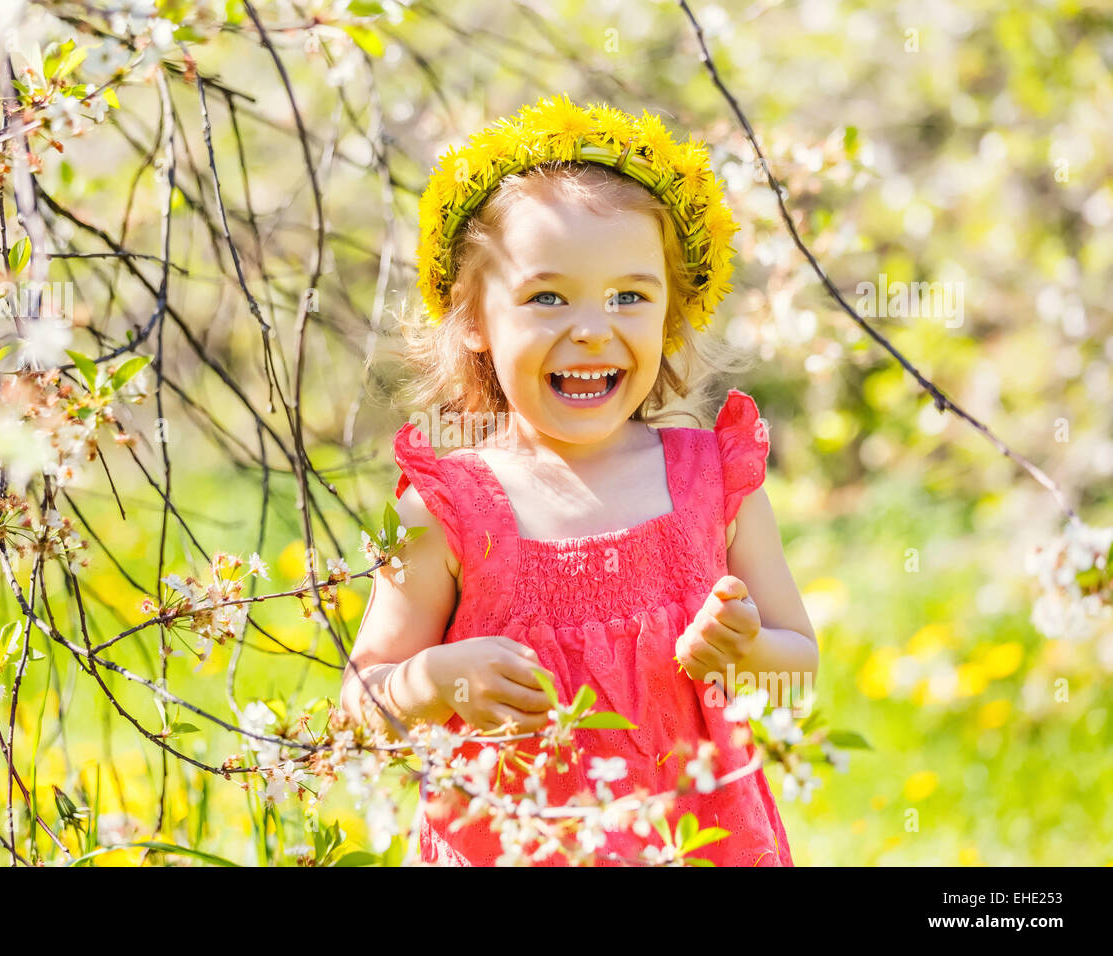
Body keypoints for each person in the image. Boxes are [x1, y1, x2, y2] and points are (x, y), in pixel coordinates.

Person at [340, 94, 817, 866]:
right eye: (547, 296)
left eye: (629, 295)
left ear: (668, 316)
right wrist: (430, 683)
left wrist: (749, 651)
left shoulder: (713, 482)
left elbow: (801, 664)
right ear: (473, 318)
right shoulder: (445, 508)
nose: (592, 327)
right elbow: (358, 706)